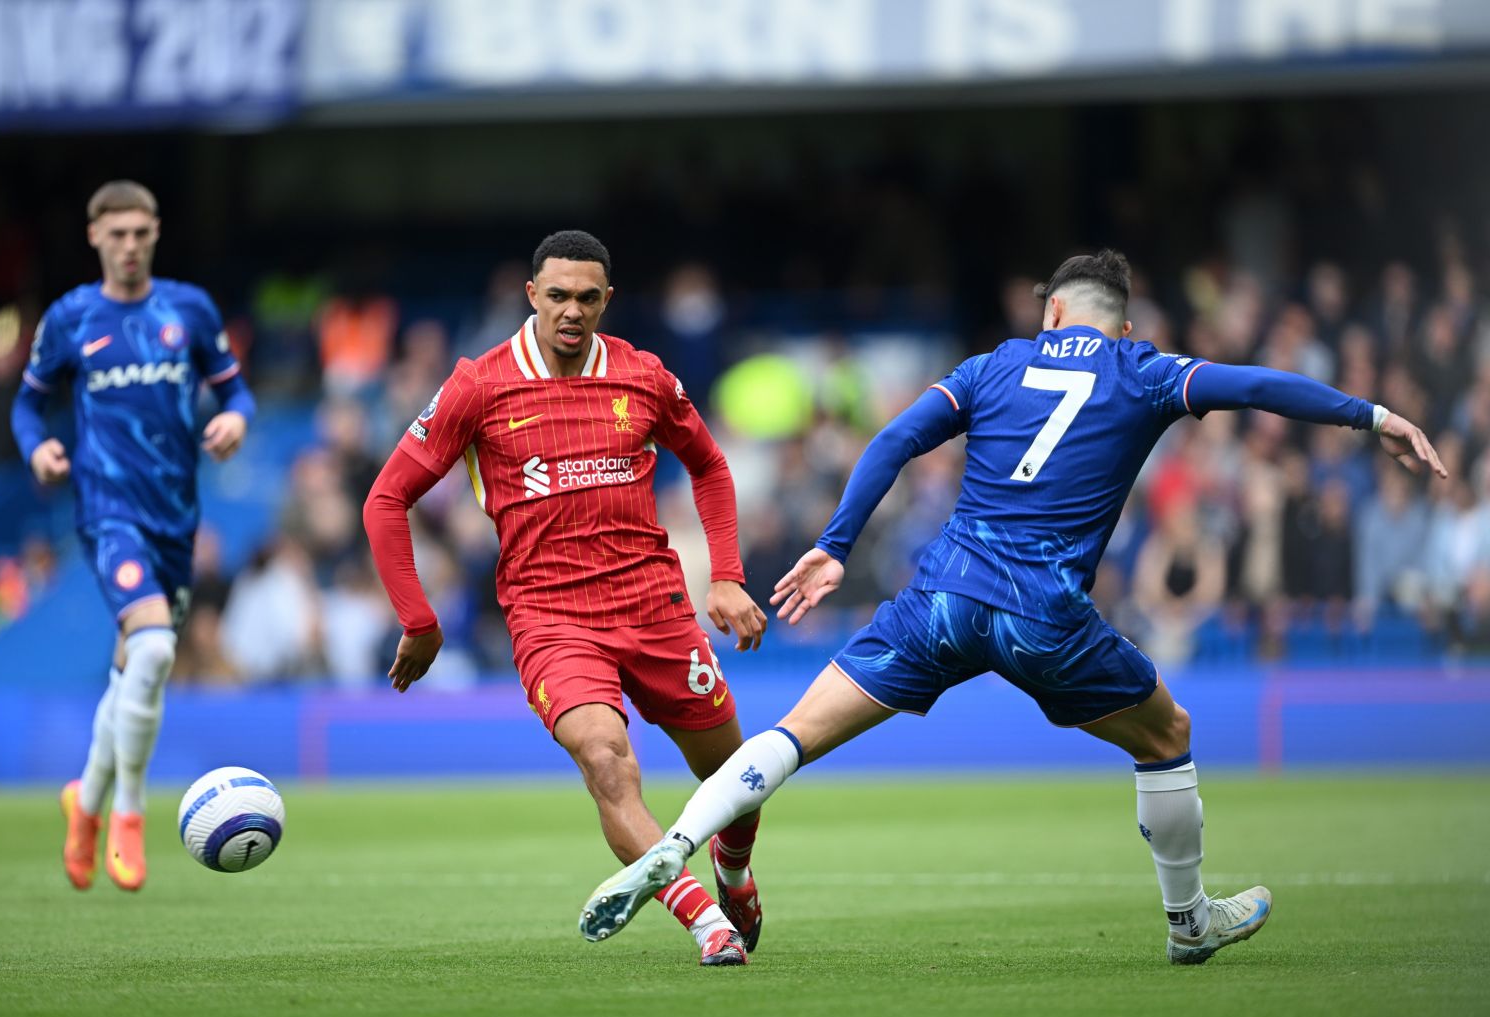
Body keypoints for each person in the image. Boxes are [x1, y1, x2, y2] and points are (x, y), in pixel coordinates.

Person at [580, 249, 1447, 964]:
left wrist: (837, 546)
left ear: (1055, 315)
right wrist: (1373, 417)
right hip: (1043, 612)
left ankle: (676, 845)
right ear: (1122, 325)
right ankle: (1189, 923)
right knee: (1168, 736)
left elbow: (894, 440)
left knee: (796, 732)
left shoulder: (994, 364)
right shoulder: (1145, 370)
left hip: (943, 598)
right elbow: (1258, 388)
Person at [363, 230, 771, 967]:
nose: (572, 312)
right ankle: (706, 923)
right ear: (532, 297)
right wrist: (419, 620)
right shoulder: (479, 385)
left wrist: (728, 573)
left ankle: (734, 874)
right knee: (609, 764)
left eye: (588, 298)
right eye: (557, 296)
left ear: (607, 300)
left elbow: (709, 465)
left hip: (656, 609)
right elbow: (387, 498)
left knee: (736, 778)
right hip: (552, 620)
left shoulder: (643, 376)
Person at [11, 180, 255, 892]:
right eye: (115, 234)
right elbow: (28, 405)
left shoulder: (189, 308)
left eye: (140, 233)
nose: (128, 246)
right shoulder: (70, 318)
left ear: (154, 234)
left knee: (135, 668)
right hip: (105, 507)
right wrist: (38, 449)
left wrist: (236, 418)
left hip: (176, 514)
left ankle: (82, 801)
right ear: (95, 238)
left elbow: (235, 388)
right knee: (152, 648)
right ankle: (127, 815)